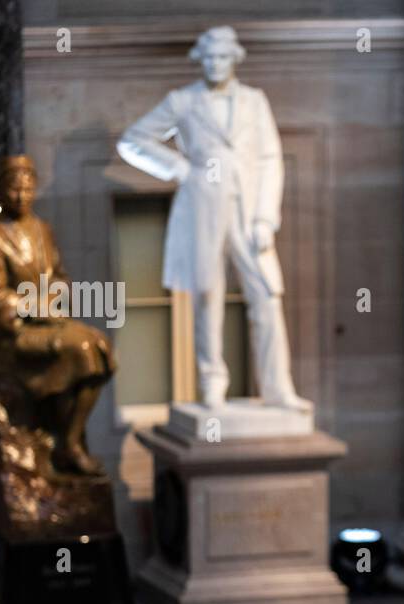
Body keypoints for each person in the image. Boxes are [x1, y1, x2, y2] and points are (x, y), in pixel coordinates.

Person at [117, 25, 302, 409]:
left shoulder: (254, 101)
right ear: (200, 60)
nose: (216, 64)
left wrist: (266, 217)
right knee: (207, 295)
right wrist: (180, 169)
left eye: (223, 57)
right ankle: (212, 383)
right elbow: (132, 140)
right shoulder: (182, 101)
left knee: (267, 295)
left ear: (234, 59)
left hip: (248, 210)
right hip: (202, 204)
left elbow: (270, 159)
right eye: (210, 57)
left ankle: (277, 387)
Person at [0, 155, 115, 477]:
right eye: (14, 189)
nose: (21, 196)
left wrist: (54, 297)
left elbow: (60, 278)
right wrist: (32, 306)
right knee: (82, 350)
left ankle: (69, 438)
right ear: (3, 191)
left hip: (50, 322)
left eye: (27, 188)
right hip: (15, 334)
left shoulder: (42, 231)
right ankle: (70, 446)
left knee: (100, 346)